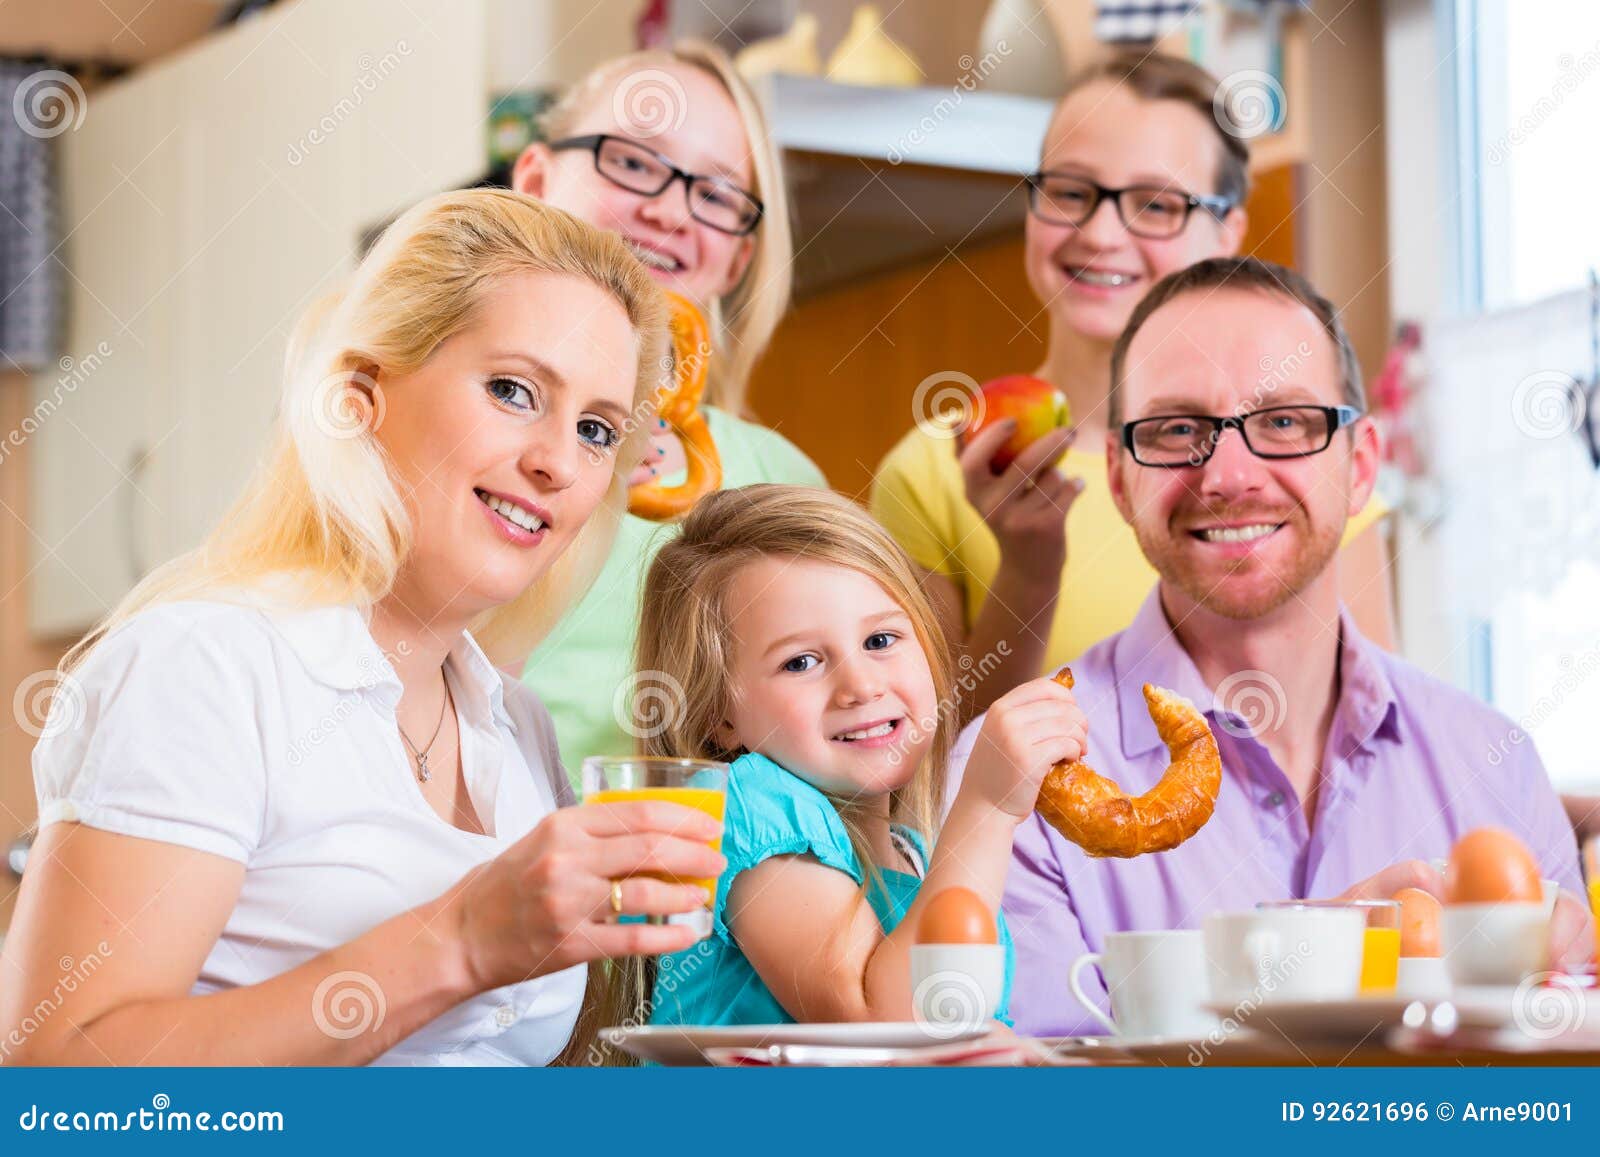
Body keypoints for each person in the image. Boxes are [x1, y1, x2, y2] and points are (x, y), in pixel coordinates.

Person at [0, 190, 726, 1066]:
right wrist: (459, 938)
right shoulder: (206, 665)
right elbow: (60, 1085)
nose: (558, 462)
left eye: (597, 429)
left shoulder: (512, 723)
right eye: (512, 389)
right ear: (362, 394)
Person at [951, 256, 1590, 1037]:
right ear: (1119, 480)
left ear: (1360, 467)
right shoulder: (1010, 787)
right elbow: (1033, 1118)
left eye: (1284, 421)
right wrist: (1305, 976)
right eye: (1177, 429)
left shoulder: (1500, 769)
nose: (1228, 473)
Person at [871, 52, 1394, 718]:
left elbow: (1381, 736)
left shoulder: (1305, 459)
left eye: (1156, 204)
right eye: (1071, 191)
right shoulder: (935, 472)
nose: (1099, 233)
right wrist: (1027, 576)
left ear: (1229, 233)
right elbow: (932, 777)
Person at [628, 485, 1087, 1026]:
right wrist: (986, 810)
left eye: (880, 640)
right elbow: (880, 1024)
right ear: (719, 718)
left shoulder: (915, 857)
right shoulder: (748, 808)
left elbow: (962, 1041)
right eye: (800, 662)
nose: (861, 686)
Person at [510, 42, 825, 771]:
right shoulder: (453, 436)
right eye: (633, 161)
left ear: (737, 259)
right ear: (535, 180)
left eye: (715, 195)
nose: (670, 210)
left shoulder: (782, 480)